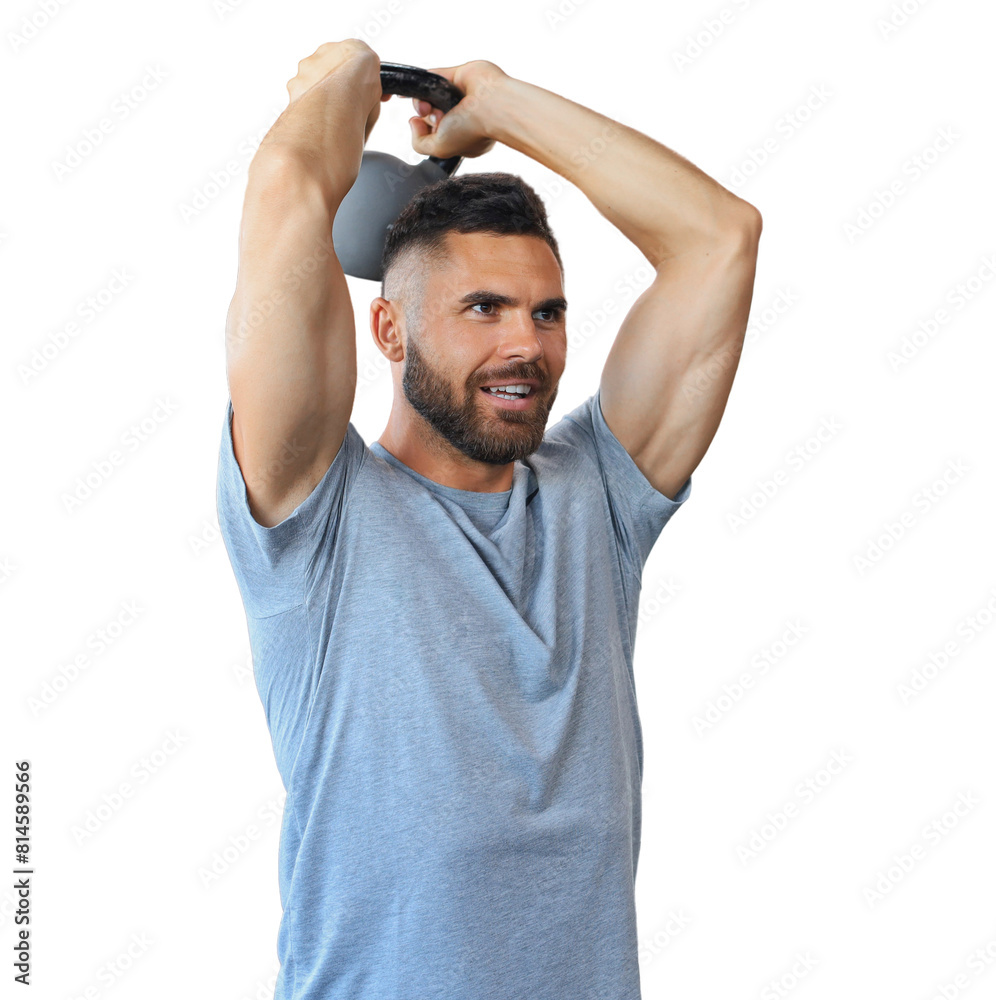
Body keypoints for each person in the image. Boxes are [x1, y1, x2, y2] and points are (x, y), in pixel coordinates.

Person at [216, 38, 761, 1000]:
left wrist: (504, 104)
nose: (527, 345)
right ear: (388, 330)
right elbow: (289, 190)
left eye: (547, 313)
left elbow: (719, 235)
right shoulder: (315, 509)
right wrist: (349, 78)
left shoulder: (599, 497)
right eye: (484, 307)